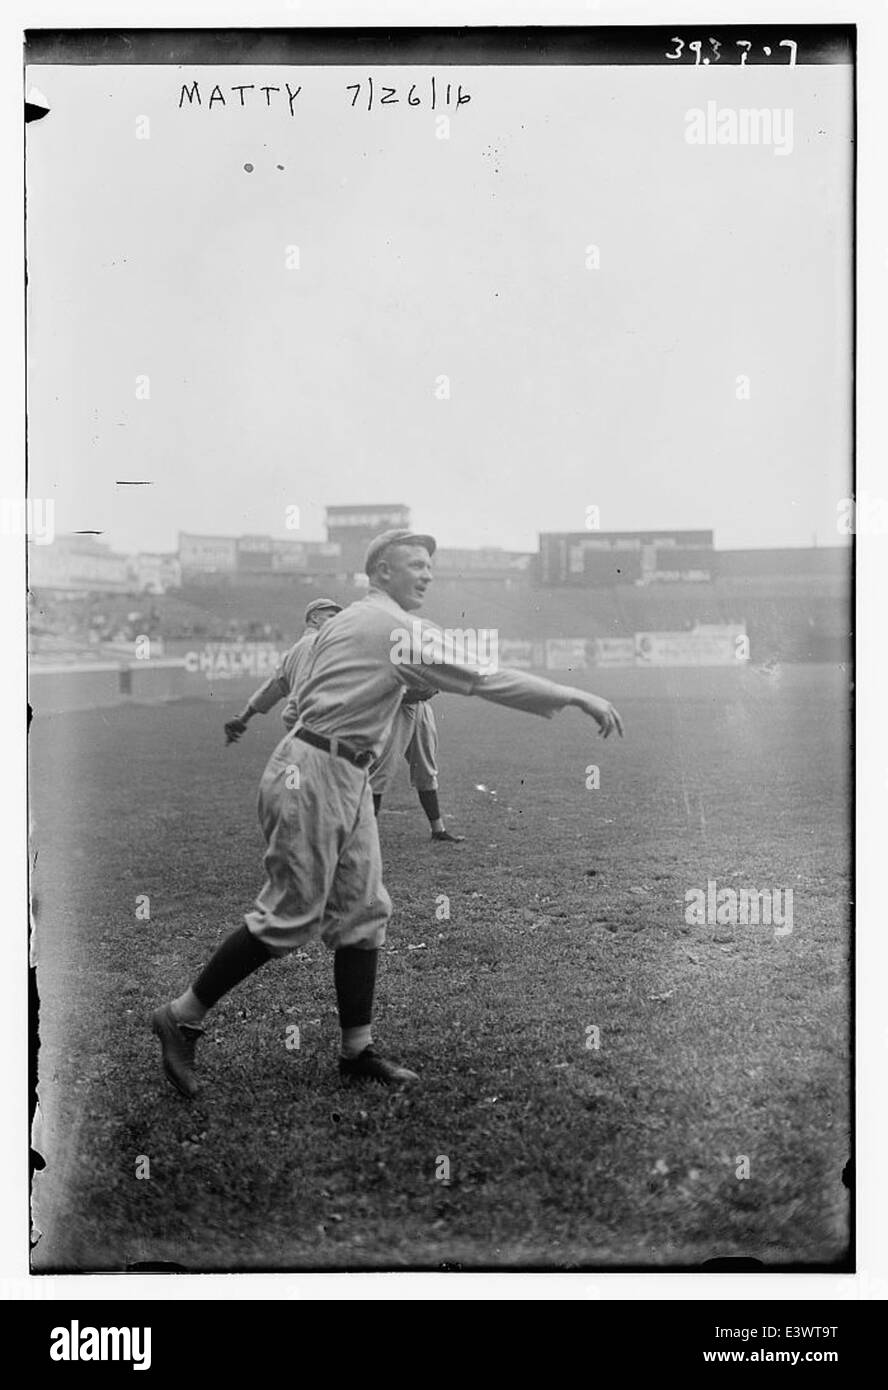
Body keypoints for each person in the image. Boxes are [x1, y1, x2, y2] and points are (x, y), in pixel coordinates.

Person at [151, 529, 623, 1096]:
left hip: (340, 771)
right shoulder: (395, 627)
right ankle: (181, 1016)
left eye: (429, 566)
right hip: (316, 773)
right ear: (380, 573)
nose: (426, 575)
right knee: (291, 916)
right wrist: (572, 695)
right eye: (415, 566)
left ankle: (356, 1051)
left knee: (363, 912)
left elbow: (326, 696)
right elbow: (484, 678)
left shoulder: (346, 623)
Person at [222, 597, 342, 746]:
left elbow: (270, 689)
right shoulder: (319, 643)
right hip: (321, 729)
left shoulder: (293, 652)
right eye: (331, 617)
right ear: (314, 618)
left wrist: (243, 718)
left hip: (301, 730)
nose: (337, 622)